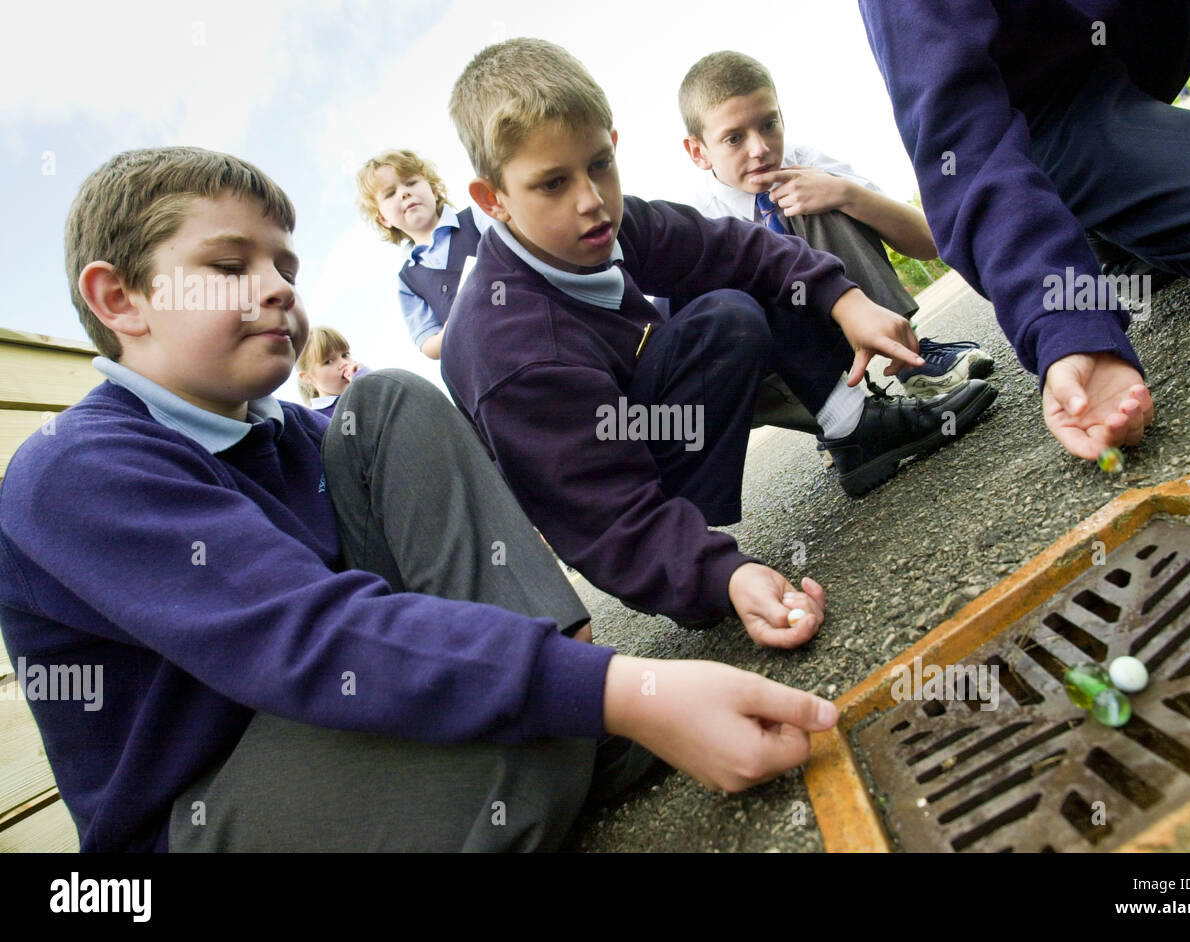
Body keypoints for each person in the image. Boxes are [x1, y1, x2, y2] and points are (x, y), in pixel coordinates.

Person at [0, 146, 840, 852]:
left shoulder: (291, 433)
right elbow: (313, 638)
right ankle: (574, 732)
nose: (280, 288)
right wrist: (631, 692)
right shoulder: (76, 470)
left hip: (334, 722)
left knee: (389, 402)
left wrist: (593, 675)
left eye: (284, 267)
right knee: (513, 748)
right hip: (211, 807)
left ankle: (576, 730)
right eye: (229, 267)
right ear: (120, 299)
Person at [441, 38, 998, 634]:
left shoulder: (616, 220)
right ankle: (685, 549)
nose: (591, 201)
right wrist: (719, 575)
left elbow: (734, 247)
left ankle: (856, 427)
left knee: (729, 302)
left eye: (600, 164)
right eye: (552, 184)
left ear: (613, 145)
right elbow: (599, 517)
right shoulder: (509, 350)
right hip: (616, 491)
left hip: (649, 419)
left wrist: (845, 299)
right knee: (726, 317)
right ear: (492, 199)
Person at [857, 0, 1190, 462]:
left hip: (1143, 39)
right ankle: (1087, 214)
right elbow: (960, 141)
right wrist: (1066, 323)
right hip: (1055, 109)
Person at [679, 50, 996, 400]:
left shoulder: (804, 163)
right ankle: (834, 414)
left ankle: (909, 358)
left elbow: (929, 243)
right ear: (698, 152)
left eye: (769, 124)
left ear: (781, 116)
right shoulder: (697, 220)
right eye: (734, 138)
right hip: (774, 354)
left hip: (846, 309)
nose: (760, 148)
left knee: (812, 193)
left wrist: (845, 194)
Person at [356, 149, 489, 360]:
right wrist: (451, 328)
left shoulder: (478, 217)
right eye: (390, 193)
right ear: (383, 219)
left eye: (410, 183)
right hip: (485, 367)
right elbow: (428, 342)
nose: (404, 193)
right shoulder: (408, 281)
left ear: (434, 190)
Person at [295, 325, 366, 418]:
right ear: (307, 377)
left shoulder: (361, 398)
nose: (344, 363)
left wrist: (366, 379)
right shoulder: (313, 420)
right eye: (329, 361)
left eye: (345, 355)